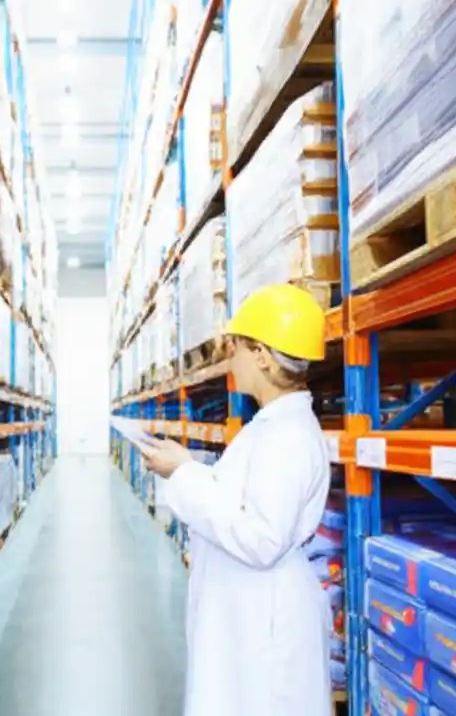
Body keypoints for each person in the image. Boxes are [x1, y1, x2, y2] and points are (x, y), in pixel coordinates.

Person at [142, 284, 333, 716]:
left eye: (237, 347)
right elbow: (245, 502)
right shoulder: (271, 428)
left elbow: (261, 538)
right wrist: (191, 468)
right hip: (246, 609)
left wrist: (184, 474)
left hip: (263, 619)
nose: (230, 358)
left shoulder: (286, 437)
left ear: (262, 356)